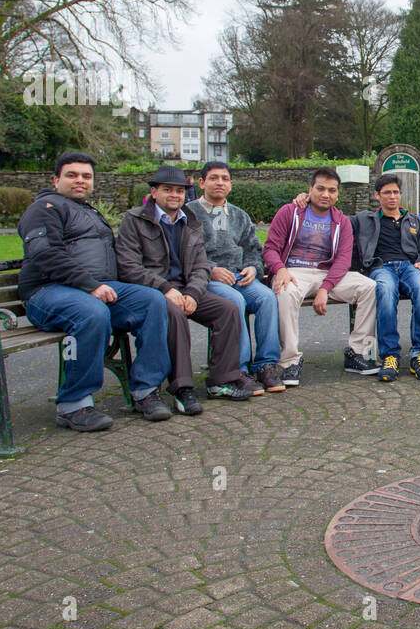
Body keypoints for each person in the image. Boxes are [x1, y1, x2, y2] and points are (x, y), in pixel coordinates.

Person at [17, 151, 173, 431]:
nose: (80, 181)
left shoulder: (88, 211)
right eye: (72, 175)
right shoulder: (45, 208)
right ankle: (73, 404)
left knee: (152, 301)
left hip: (96, 289)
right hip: (48, 292)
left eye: (86, 176)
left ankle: (146, 391)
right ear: (56, 180)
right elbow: (44, 254)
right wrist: (90, 286)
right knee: (92, 313)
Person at [115, 165, 256, 413]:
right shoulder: (135, 220)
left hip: (186, 289)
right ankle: (183, 389)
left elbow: (201, 266)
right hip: (153, 292)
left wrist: (192, 292)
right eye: (167, 189)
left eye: (179, 191)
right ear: (154, 191)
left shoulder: (189, 221)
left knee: (228, 308)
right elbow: (128, 267)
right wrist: (166, 289)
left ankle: (220, 380)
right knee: (175, 314)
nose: (174, 195)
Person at [264, 166, 379, 385]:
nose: (326, 194)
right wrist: (279, 269)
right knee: (285, 293)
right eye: (320, 189)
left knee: (369, 287)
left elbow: (343, 260)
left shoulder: (341, 221)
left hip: (329, 274)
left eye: (332, 190)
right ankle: (289, 361)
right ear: (310, 189)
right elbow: (270, 247)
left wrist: (325, 288)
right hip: (295, 272)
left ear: (337, 194)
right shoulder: (290, 212)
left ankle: (358, 353)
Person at [191, 161, 282, 395]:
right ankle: (238, 369)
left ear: (231, 184)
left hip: (240, 275)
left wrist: (253, 267)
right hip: (207, 278)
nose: (219, 182)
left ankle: (265, 365)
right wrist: (211, 269)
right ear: (202, 183)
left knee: (267, 298)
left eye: (224, 178)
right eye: (213, 178)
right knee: (235, 302)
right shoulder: (190, 214)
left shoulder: (240, 216)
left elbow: (253, 248)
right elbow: (188, 251)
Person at [351, 174, 420, 383]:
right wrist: (306, 199)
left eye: (396, 192)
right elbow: (333, 214)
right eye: (387, 192)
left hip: (409, 266)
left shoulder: (413, 220)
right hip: (381, 267)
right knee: (386, 292)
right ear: (377, 195)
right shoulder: (366, 219)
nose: (392, 197)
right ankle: (390, 355)